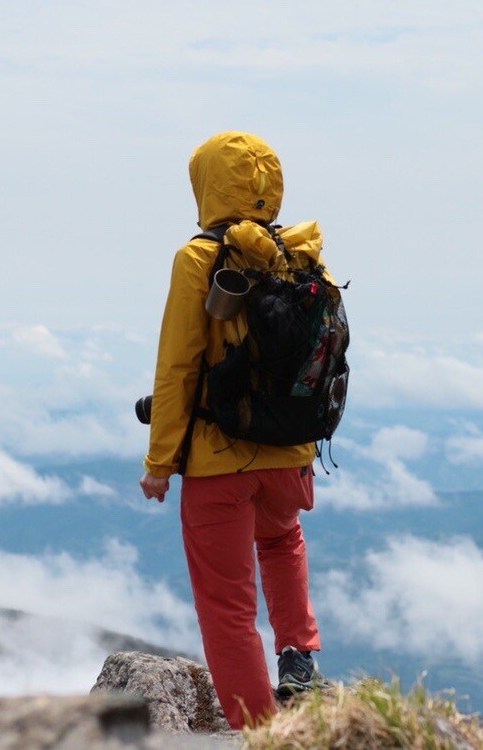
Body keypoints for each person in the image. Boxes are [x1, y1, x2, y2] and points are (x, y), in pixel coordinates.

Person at [139, 131, 326, 730]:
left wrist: (160, 462)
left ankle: (262, 734)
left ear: (206, 184)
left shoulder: (199, 258)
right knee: (281, 540)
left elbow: (179, 366)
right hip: (292, 452)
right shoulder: (304, 254)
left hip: (220, 463)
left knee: (228, 609)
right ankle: (298, 655)